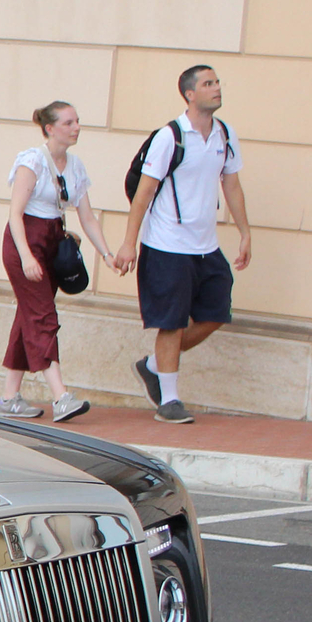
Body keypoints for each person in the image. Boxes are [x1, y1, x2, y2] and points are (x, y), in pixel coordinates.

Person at [113, 64, 251, 424]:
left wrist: (244, 232)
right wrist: (130, 243)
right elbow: (144, 193)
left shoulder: (224, 135)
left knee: (216, 313)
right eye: (208, 84)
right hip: (166, 244)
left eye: (218, 81)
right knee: (171, 323)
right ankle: (169, 401)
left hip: (205, 246)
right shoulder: (169, 137)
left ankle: (155, 365)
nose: (217, 88)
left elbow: (231, 185)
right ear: (190, 94)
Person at [0, 101, 113, 422]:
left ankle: (9, 398)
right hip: (26, 241)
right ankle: (61, 396)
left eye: (77, 121)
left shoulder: (74, 166)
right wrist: (26, 257)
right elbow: (15, 214)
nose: (76, 127)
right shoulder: (32, 161)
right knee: (43, 316)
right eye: (68, 122)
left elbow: (87, 217)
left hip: (52, 242)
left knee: (29, 316)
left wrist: (107, 253)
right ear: (50, 128)